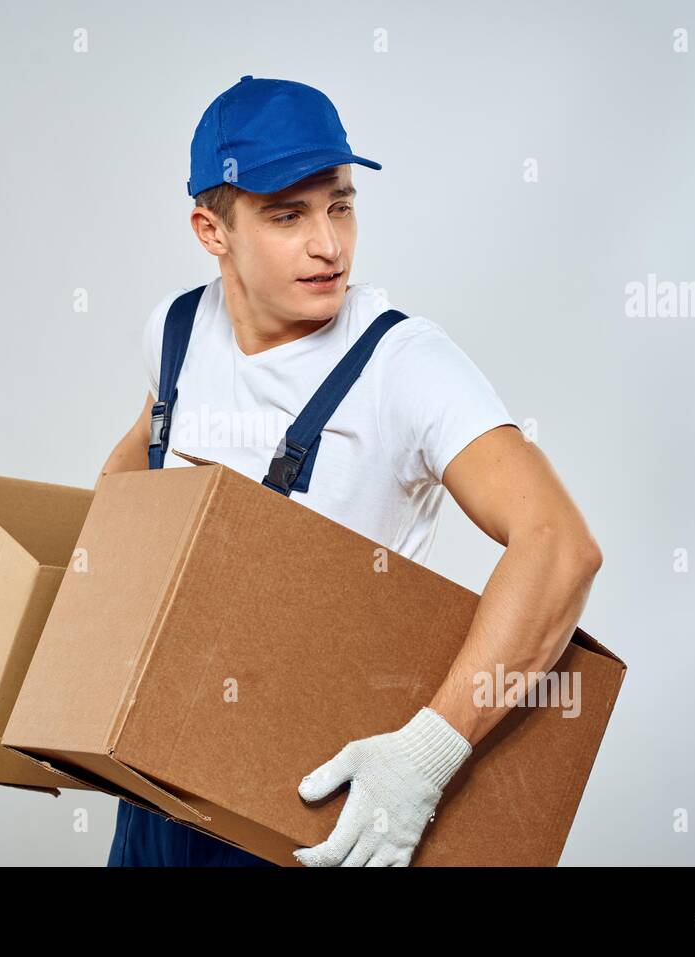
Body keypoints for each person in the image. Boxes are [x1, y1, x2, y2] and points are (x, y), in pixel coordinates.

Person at [98, 76, 602, 867]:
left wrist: (424, 758)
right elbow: (136, 467)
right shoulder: (177, 328)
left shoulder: (404, 363)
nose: (329, 244)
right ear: (211, 228)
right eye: (287, 214)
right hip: (156, 797)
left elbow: (559, 546)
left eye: (340, 205)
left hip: (318, 807)